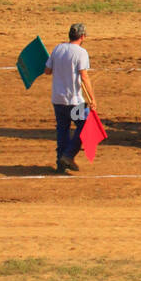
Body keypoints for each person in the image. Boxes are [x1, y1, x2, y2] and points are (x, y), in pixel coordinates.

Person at [45, 23, 97, 173]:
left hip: (58, 99)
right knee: (87, 126)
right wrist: (92, 99)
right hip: (74, 102)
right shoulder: (81, 53)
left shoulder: (58, 49)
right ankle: (68, 155)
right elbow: (84, 76)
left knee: (62, 130)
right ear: (82, 37)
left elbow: (47, 71)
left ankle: (60, 162)